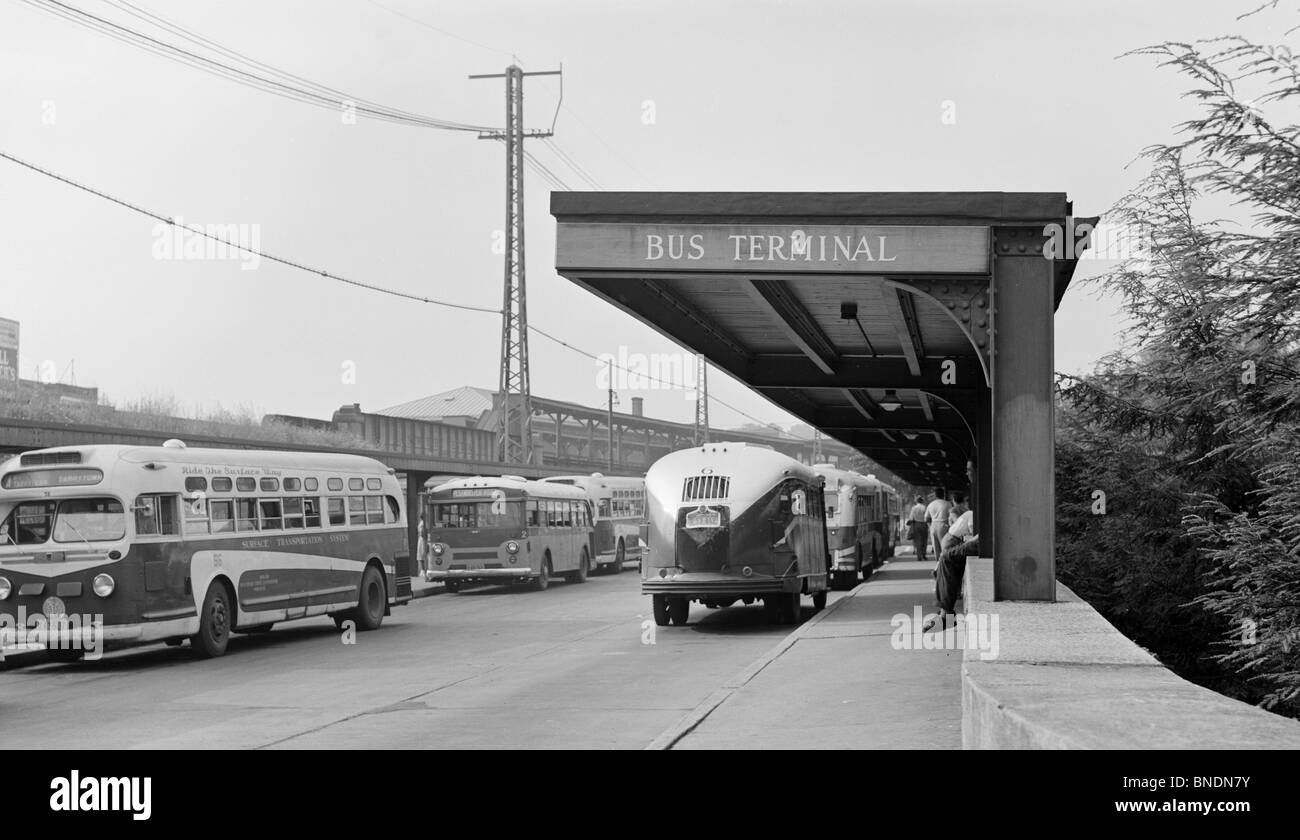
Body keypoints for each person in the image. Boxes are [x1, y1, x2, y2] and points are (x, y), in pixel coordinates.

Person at [925, 504, 979, 631]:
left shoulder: (970, 514)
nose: (950, 521)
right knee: (947, 561)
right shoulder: (971, 514)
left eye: (952, 517)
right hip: (974, 540)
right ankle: (945, 612)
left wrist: (968, 541)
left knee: (946, 559)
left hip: (977, 541)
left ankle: (946, 613)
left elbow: (973, 532)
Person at [924, 488, 953, 566]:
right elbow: (951, 516)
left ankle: (938, 565)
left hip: (933, 525)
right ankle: (944, 566)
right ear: (943, 494)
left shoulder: (931, 504)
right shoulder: (948, 504)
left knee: (936, 548)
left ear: (935, 495)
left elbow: (926, 518)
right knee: (944, 546)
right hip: (944, 525)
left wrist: (930, 527)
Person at [906, 495, 928, 561]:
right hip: (924, 524)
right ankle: (924, 554)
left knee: (918, 541)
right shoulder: (925, 508)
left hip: (916, 524)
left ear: (916, 501)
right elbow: (927, 517)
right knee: (924, 540)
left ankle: (919, 556)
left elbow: (911, 518)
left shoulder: (914, 508)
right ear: (922, 501)